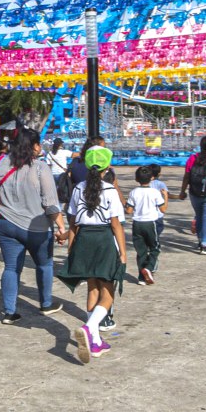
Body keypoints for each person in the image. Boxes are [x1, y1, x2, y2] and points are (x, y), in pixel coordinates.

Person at [0, 128, 66, 325]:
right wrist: (61, 227)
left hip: (5, 222)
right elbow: (50, 203)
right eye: (38, 143)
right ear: (32, 145)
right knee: (44, 265)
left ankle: (9, 311)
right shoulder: (40, 167)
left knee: (12, 267)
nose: (40, 147)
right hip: (36, 226)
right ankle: (46, 303)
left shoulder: (1, 164)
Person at [58, 146, 126, 364]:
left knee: (92, 288)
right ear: (107, 166)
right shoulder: (110, 190)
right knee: (108, 293)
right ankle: (89, 328)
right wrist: (123, 254)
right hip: (104, 240)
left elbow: (72, 222)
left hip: (84, 240)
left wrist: (71, 247)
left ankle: (95, 342)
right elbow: (116, 225)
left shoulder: (78, 188)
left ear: (87, 165)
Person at [127, 166, 165, 285]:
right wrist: (166, 197)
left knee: (141, 251)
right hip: (150, 223)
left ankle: (141, 277)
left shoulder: (133, 192)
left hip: (137, 223)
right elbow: (163, 209)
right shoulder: (154, 192)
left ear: (136, 179)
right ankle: (149, 267)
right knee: (155, 248)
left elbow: (129, 210)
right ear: (152, 178)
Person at [148, 163, 169, 243]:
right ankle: (153, 241)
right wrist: (178, 196)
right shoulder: (160, 184)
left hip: (149, 212)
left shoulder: (146, 183)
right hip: (158, 212)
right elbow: (166, 194)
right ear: (159, 173)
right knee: (159, 227)